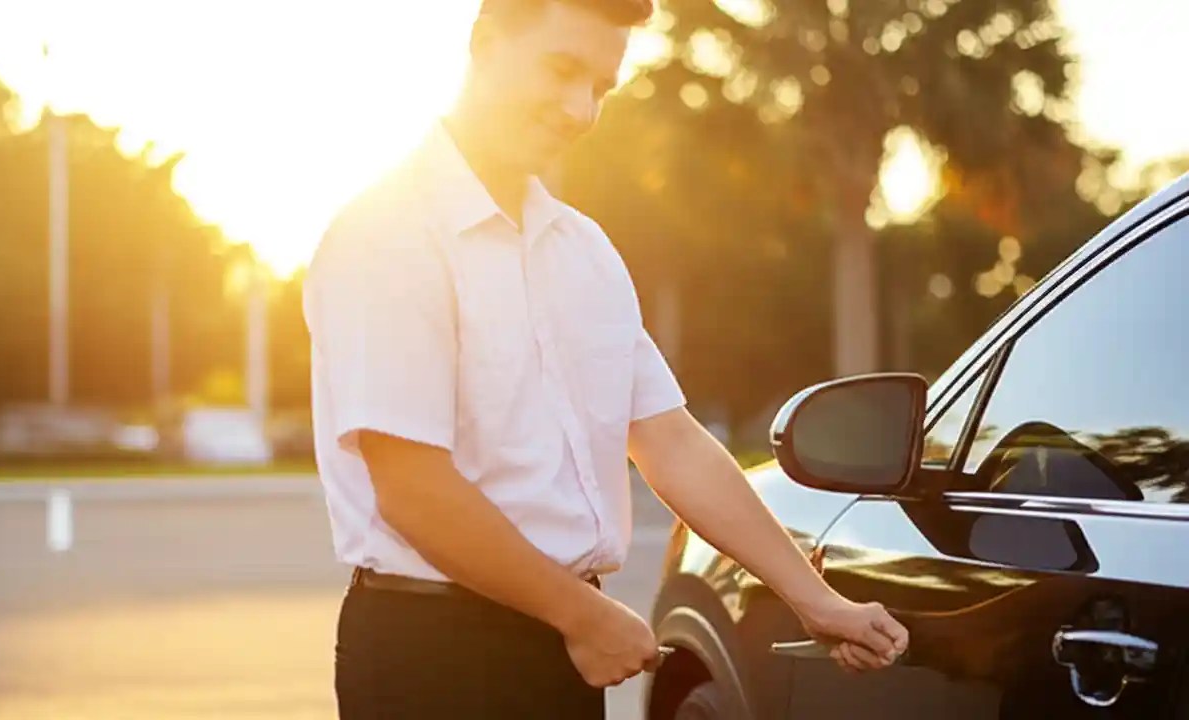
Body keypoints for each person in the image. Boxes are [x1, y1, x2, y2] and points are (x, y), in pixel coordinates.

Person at [302, 0, 909, 717]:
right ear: (485, 43)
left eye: (601, 86)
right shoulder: (388, 232)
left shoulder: (581, 248)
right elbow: (411, 485)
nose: (580, 108)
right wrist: (583, 616)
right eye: (562, 70)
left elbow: (668, 439)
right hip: (433, 654)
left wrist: (817, 601)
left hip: (561, 649)